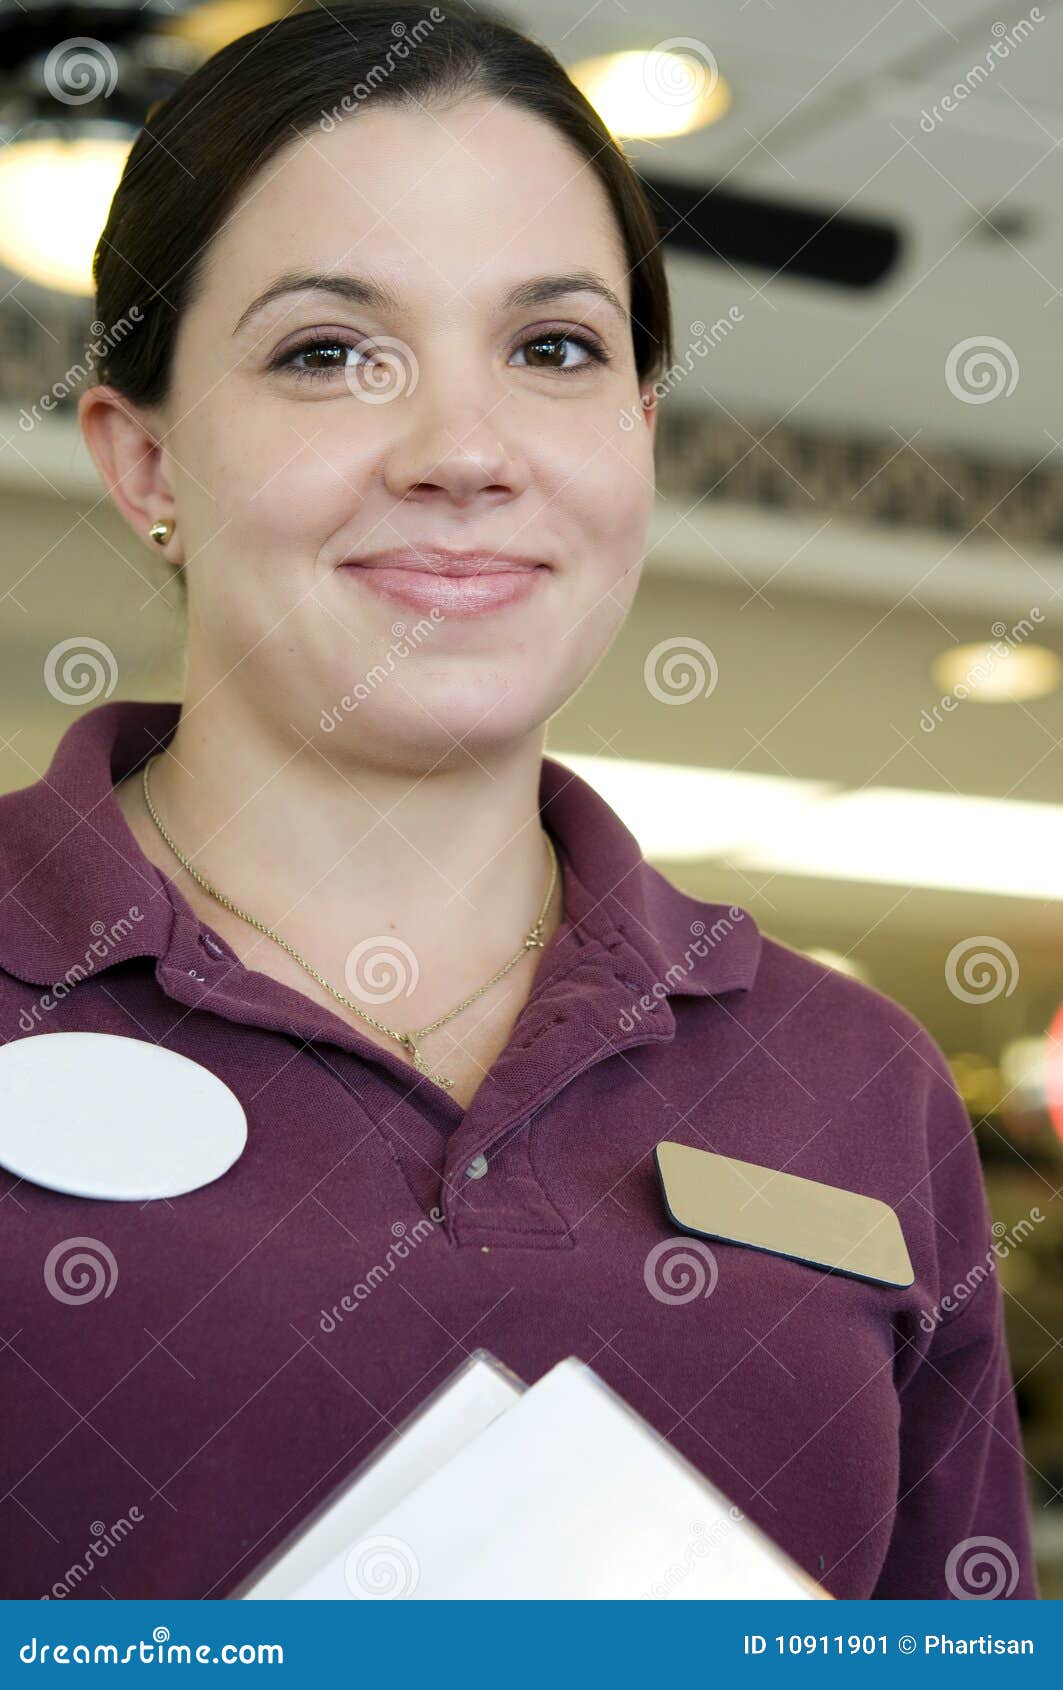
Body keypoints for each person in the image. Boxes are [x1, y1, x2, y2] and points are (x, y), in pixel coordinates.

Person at [0, 1, 1037, 1600]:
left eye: (552, 348)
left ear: (634, 433)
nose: (465, 448)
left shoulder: (854, 1083)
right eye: (330, 351)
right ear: (145, 465)